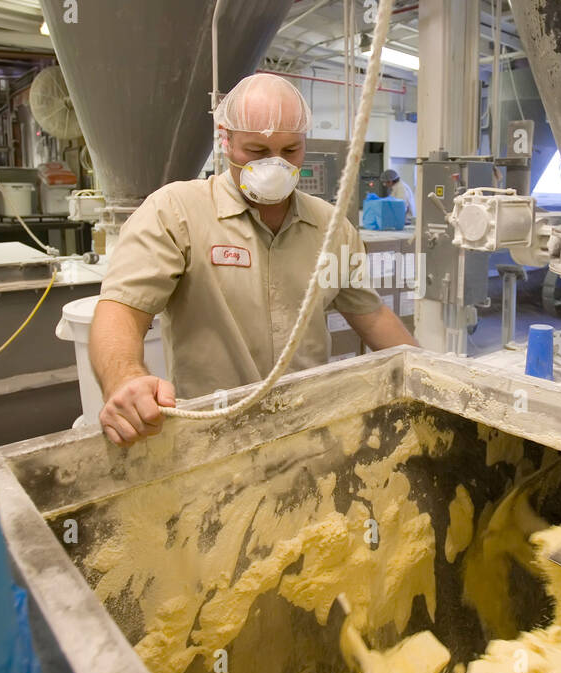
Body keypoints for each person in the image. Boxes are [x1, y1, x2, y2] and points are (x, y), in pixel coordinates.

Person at [90, 73, 417, 446]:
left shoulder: (330, 226)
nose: (275, 165)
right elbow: (121, 309)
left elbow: (371, 315)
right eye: (257, 152)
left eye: (290, 150)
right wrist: (125, 378)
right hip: (214, 434)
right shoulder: (177, 212)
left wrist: (428, 372)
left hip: (308, 426)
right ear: (225, 140)